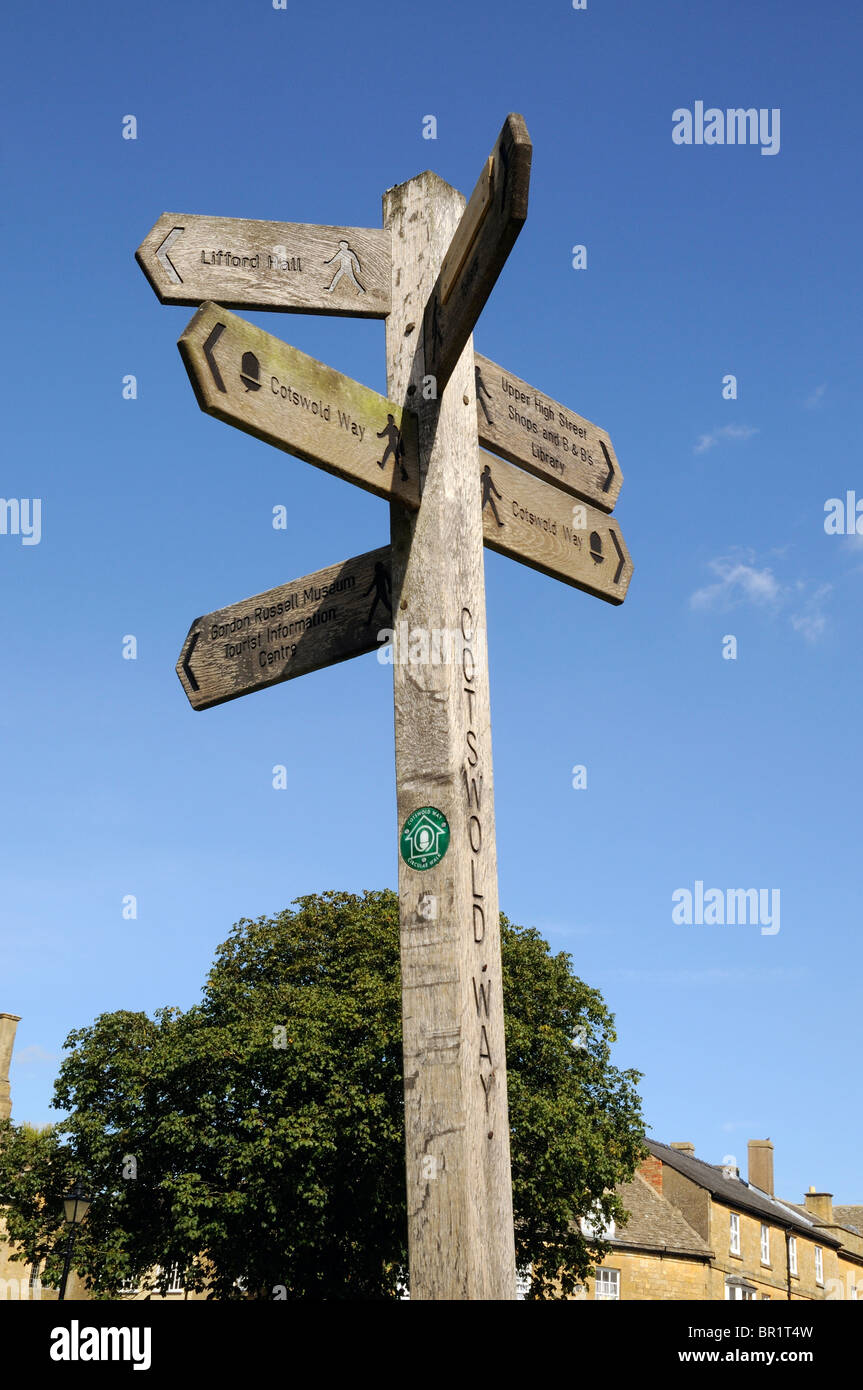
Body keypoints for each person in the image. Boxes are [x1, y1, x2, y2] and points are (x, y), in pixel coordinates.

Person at [377, 414, 408, 480]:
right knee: (386, 454)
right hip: (391, 444)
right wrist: (379, 435)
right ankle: (382, 465)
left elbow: (397, 436)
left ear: (392, 420)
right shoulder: (389, 427)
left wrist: (379, 435)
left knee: (398, 461)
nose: (388, 420)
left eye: (389, 419)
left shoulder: (393, 428)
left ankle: (405, 475)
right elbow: (384, 433)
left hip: (395, 446)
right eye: (388, 419)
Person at [481, 462, 504, 527]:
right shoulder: (483, 476)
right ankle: (476, 518)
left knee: (494, 508)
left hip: (489, 496)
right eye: (487, 470)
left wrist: (498, 496)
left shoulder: (489, 479)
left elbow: (493, 489)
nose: (488, 472)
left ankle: (498, 522)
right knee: (482, 507)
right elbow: (479, 483)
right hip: (485, 495)